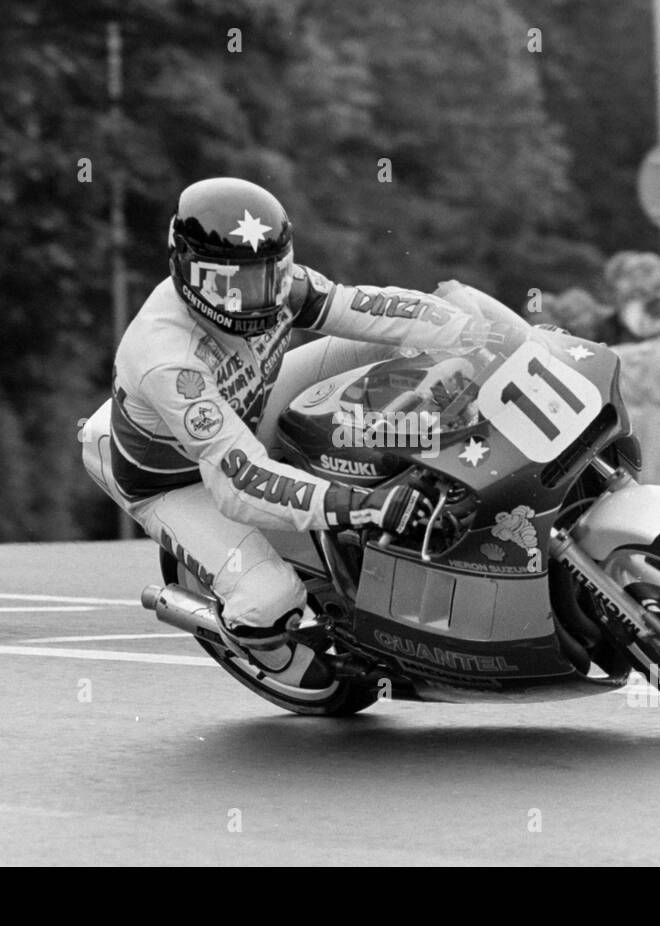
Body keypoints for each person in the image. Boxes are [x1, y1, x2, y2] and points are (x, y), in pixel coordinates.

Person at [80, 177, 500, 691]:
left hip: (253, 405)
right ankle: (270, 654)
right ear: (184, 269)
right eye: (226, 285)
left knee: (392, 346)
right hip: (182, 478)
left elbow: (363, 307)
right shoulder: (167, 360)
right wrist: (362, 506)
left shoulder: (275, 285)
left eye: (267, 278)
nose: (251, 301)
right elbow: (239, 482)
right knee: (268, 600)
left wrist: (478, 332)